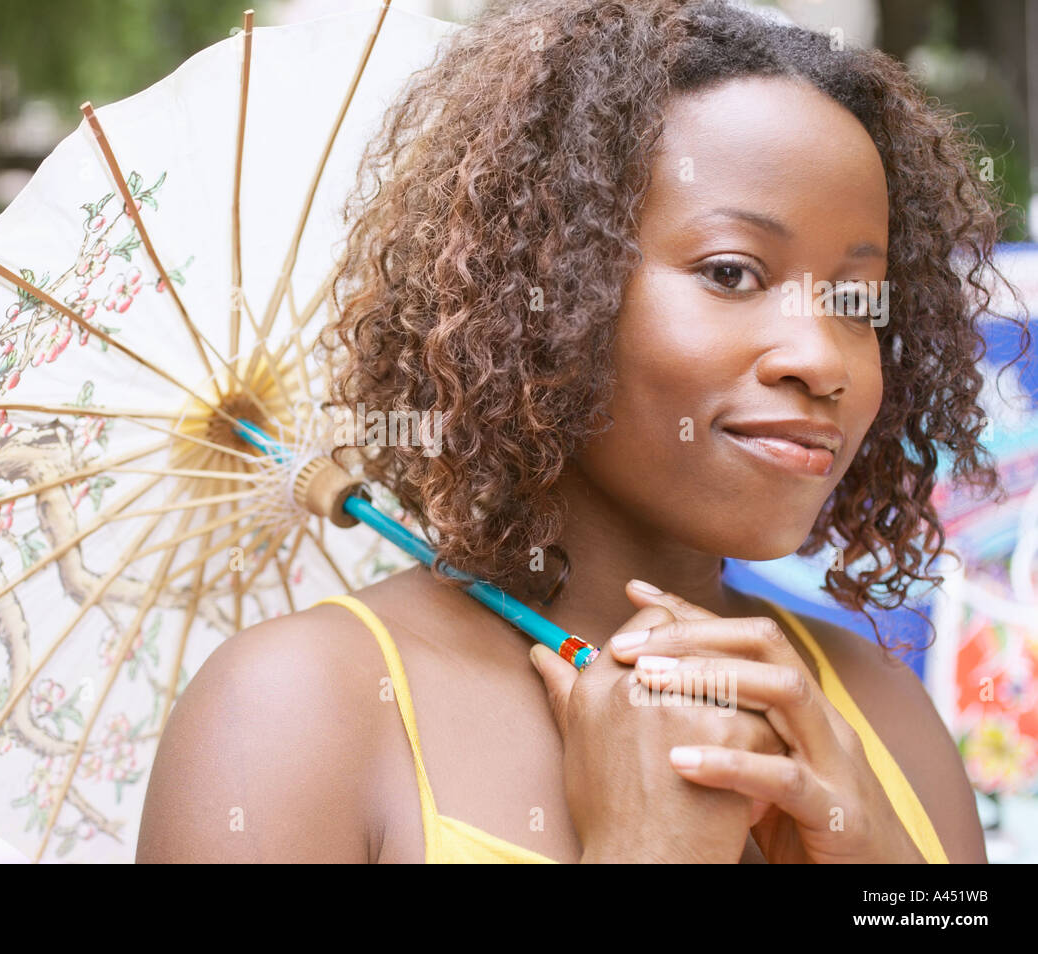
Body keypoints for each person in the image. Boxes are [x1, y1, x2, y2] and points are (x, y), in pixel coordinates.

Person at [136, 0, 1025, 863]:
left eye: (854, 298)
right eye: (731, 272)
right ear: (549, 293)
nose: (821, 357)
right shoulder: (298, 713)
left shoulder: (877, 713)